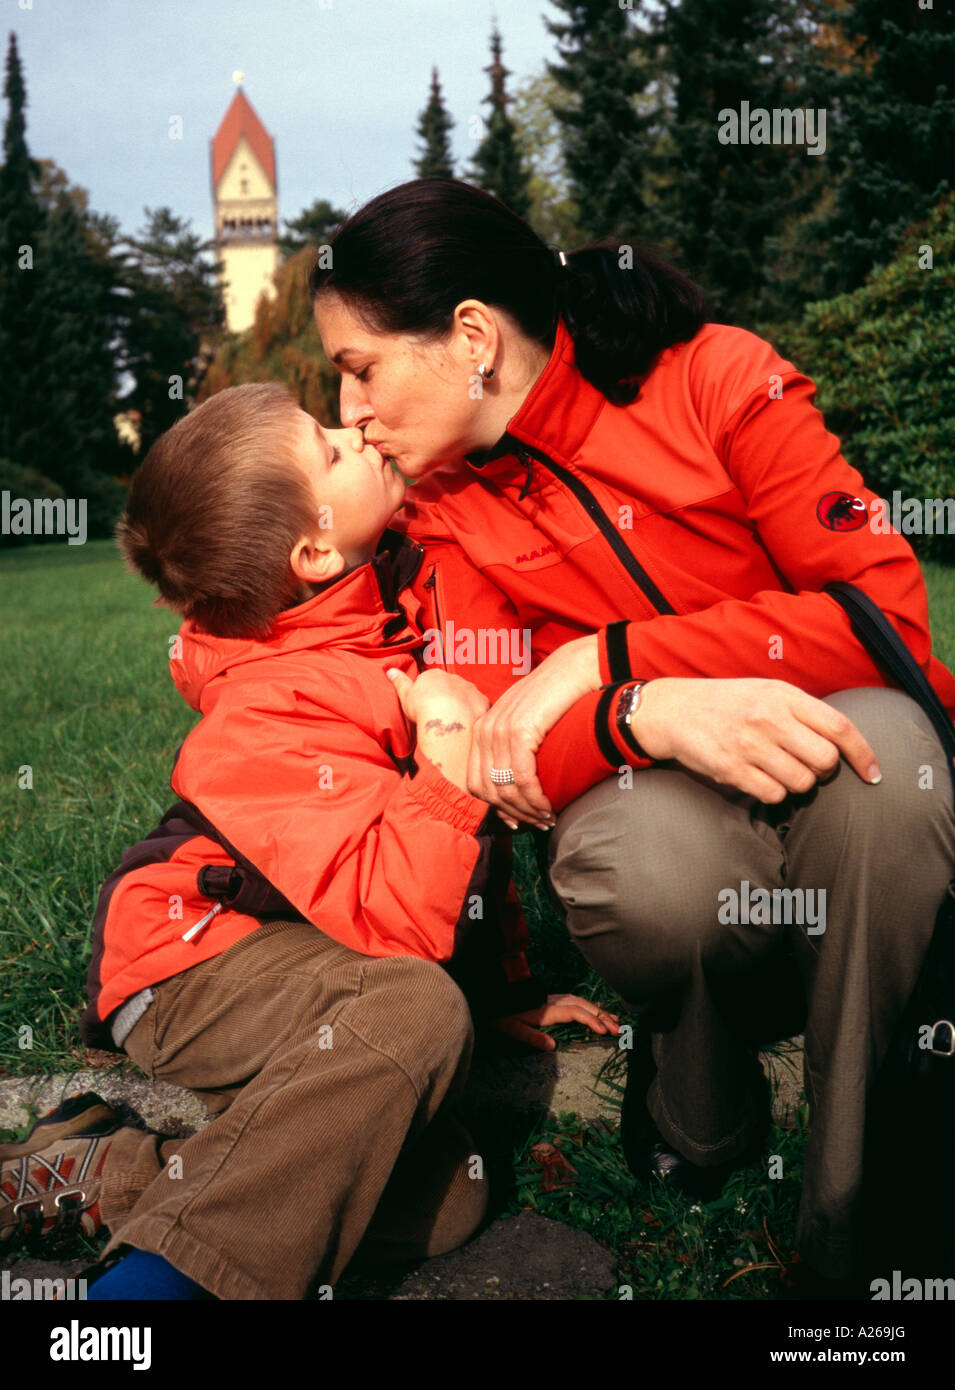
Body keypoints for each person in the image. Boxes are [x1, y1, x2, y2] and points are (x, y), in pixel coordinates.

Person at [308, 178, 955, 1291]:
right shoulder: (444, 512)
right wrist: (644, 711)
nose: (348, 408)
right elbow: (493, 756)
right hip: (663, 802)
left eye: (359, 367)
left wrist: (608, 656)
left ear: (471, 335)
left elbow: (883, 622)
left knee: (890, 764)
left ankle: (855, 1221)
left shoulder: (716, 375)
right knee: (637, 868)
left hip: (839, 773)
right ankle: (696, 1102)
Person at [0, 382, 616, 1300]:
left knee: (449, 1197)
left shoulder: (376, 613)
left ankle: (115, 1172)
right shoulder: (268, 708)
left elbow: (453, 863)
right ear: (315, 548)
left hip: (309, 954)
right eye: (327, 448)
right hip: (188, 963)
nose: (354, 428)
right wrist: (445, 742)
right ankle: (148, 1296)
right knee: (414, 1009)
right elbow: (407, 928)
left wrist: (502, 991)